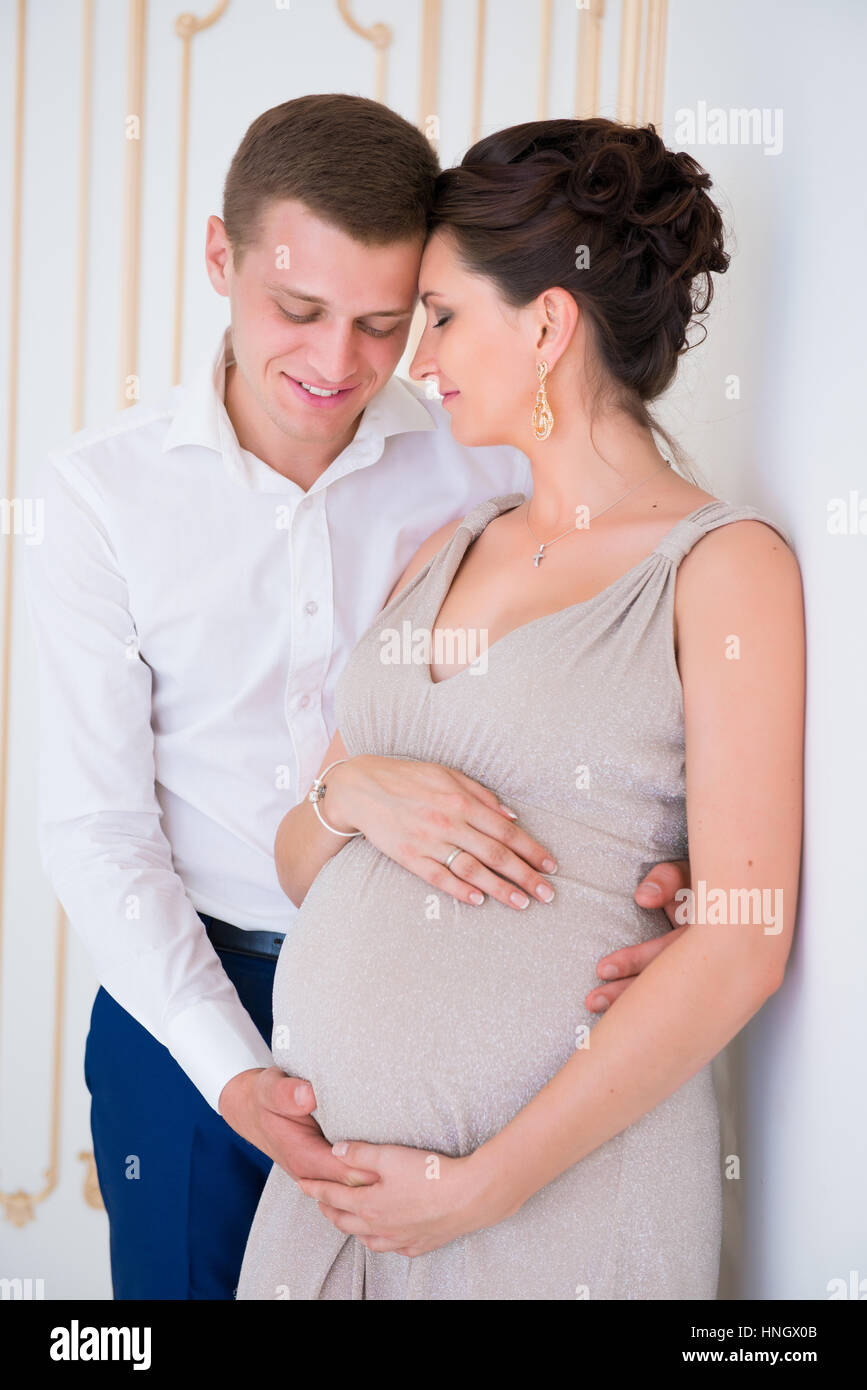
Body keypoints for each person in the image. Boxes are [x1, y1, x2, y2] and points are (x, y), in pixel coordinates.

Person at [22, 96, 689, 1301]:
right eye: (297, 311)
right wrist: (230, 1069)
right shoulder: (99, 498)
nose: (339, 365)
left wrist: (675, 876)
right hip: (190, 1014)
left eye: (387, 323)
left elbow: (609, 673)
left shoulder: (486, 455)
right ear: (221, 258)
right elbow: (95, 825)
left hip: (457, 1025)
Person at [235, 116, 805, 1300]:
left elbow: (744, 939)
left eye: (440, 316)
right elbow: (300, 860)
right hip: (335, 1212)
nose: (415, 356)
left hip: (556, 1211)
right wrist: (352, 793)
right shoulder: (448, 546)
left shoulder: (721, 564)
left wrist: (482, 1185)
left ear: (548, 323)